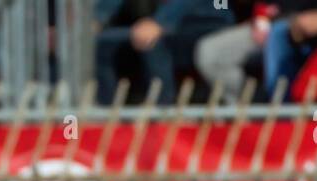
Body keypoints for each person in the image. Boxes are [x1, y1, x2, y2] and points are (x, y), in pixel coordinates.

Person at [94, 0, 229, 105]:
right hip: (166, 24)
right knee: (100, 43)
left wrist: (160, 22)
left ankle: (162, 112)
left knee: (153, 42)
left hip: (210, 21)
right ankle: (109, 114)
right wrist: (97, 18)